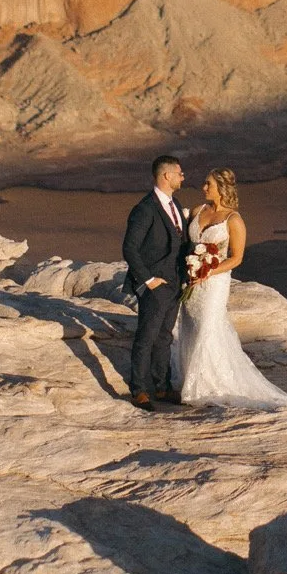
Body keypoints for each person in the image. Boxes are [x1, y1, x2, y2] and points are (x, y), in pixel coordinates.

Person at [172, 169, 287, 409]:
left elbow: (237, 257)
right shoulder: (198, 211)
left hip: (213, 284)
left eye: (208, 183)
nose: (203, 187)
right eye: (204, 183)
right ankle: (189, 379)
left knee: (208, 328)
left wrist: (207, 271)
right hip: (192, 280)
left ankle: (205, 386)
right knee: (189, 327)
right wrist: (190, 269)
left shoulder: (233, 220)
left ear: (221, 188)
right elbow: (187, 244)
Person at [121, 154, 188, 409]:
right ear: (166, 176)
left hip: (175, 283)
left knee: (164, 337)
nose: (183, 177)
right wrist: (148, 280)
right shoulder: (145, 209)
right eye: (180, 173)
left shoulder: (174, 203)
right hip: (155, 285)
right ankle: (138, 390)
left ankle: (162, 387)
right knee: (146, 337)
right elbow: (129, 248)